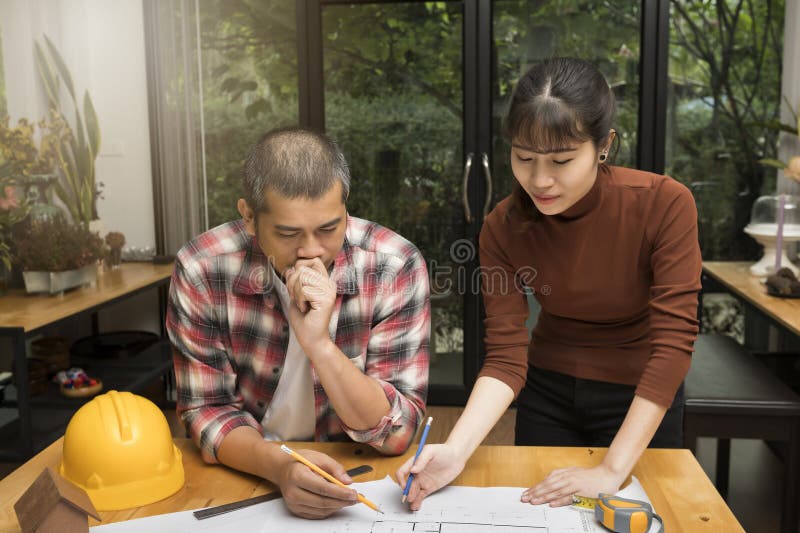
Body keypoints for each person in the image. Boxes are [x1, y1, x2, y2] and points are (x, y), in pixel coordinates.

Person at [397, 57, 701, 509]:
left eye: (561, 160)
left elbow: (674, 343)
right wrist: (455, 452)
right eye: (523, 158)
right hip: (548, 395)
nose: (540, 180)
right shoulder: (502, 225)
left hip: (641, 398)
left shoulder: (664, 204)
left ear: (604, 145)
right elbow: (504, 355)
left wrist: (611, 470)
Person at [167, 127, 430, 519]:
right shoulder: (203, 267)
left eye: (328, 229)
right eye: (288, 233)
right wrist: (280, 466)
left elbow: (399, 432)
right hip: (251, 466)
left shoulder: (393, 265)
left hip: (356, 469)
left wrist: (319, 344)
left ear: (345, 207)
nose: (311, 251)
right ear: (250, 218)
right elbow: (207, 410)